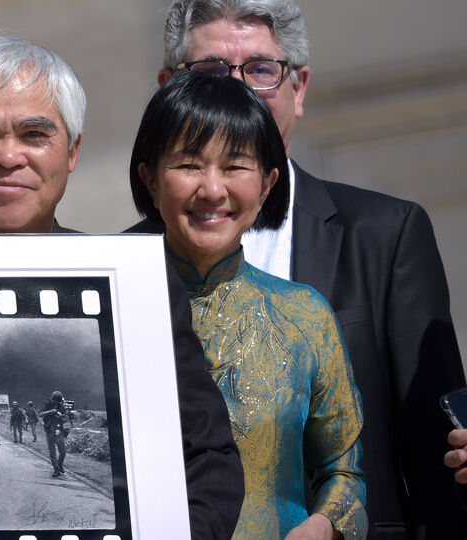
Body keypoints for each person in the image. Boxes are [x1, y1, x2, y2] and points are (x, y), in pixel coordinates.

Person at [129, 2, 467, 536]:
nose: (236, 91)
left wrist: (329, 523)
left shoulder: (384, 237)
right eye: (211, 72)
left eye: (260, 69)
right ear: (168, 91)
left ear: (299, 87)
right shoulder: (117, 279)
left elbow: (437, 450)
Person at [0, 35, 244, 539]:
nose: (8, 156)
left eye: (35, 134)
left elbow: (208, 458)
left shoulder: (137, 282)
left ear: (73, 151)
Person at [129, 69, 366, 539]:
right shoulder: (118, 310)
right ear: (151, 180)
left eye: (235, 166)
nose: (212, 189)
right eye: (189, 165)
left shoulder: (305, 315)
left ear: (267, 184)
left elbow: (344, 470)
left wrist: (324, 525)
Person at [39, 391, 70, 477]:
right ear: (52, 400)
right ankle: (56, 469)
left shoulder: (61, 406)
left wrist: (61, 416)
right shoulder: (47, 404)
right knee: (52, 452)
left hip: (59, 430)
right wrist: (51, 411)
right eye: (56, 401)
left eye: (59, 402)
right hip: (49, 430)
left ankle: (59, 465)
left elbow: (66, 418)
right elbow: (40, 414)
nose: (58, 403)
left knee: (63, 452)